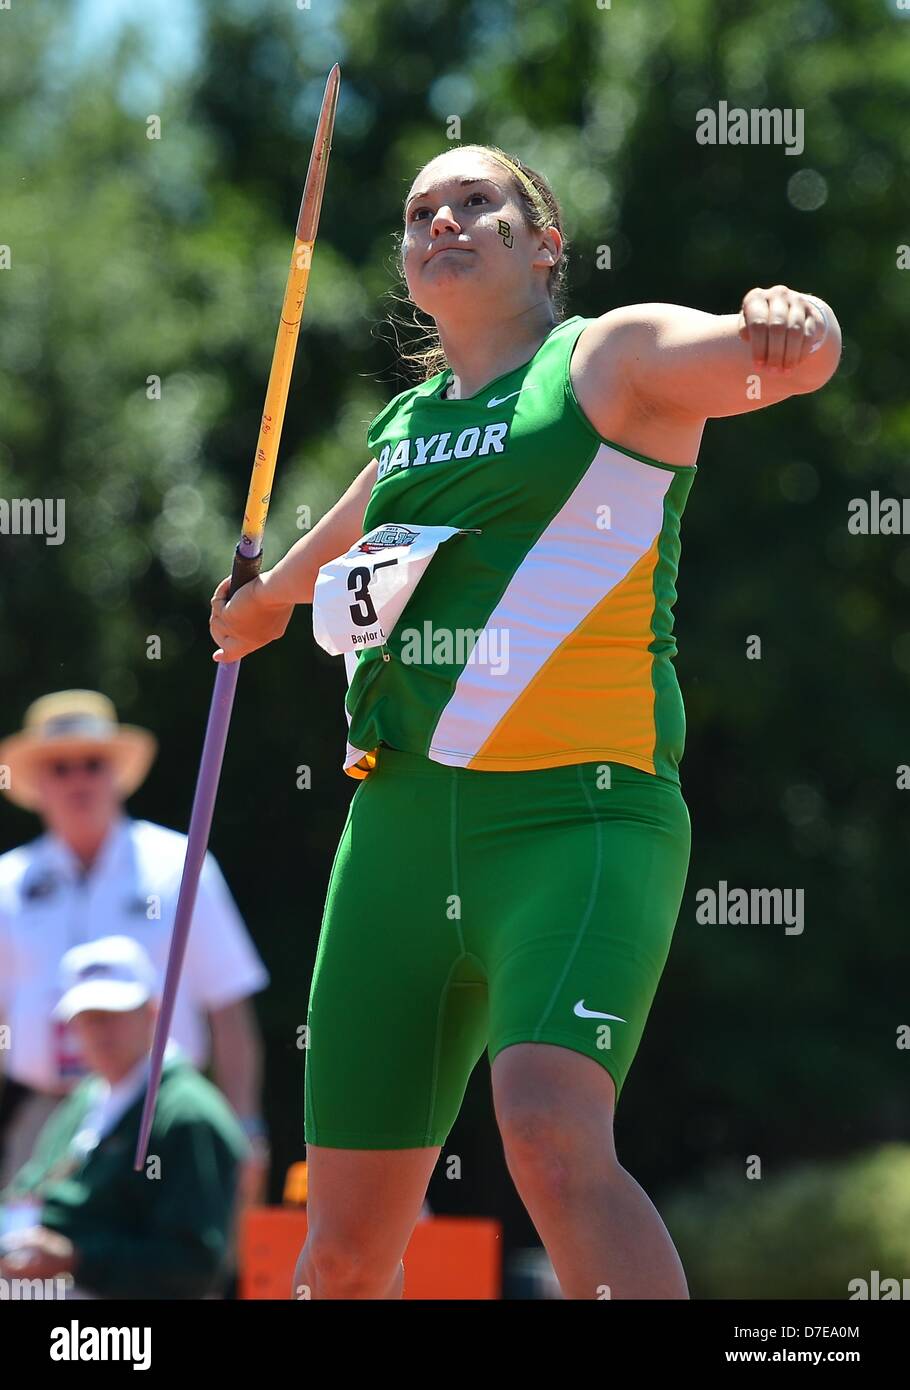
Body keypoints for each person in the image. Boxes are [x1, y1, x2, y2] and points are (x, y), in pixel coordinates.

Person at [208, 143, 842, 1299]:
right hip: (394, 837)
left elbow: (781, 361)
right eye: (417, 212)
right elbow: (343, 539)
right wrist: (256, 606)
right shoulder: (402, 425)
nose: (441, 219)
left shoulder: (609, 359)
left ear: (544, 241)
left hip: (577, 819)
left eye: (474, 201)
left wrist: (792, 325)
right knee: (340, 1254)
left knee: (548, 1133)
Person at [0, 690, 269, 1196]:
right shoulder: (6, 883)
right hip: (43, 1118)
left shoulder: (181, 866)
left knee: (173, 1267)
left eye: (93, 763)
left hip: (163, 1114)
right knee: (27, 1267)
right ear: (36, 782)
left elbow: (229, 1009)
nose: (78, 779)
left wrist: (245, 1125)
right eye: (59, 767)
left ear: (116, 773)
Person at [0, 935, 248, 1298]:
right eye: (87, 1019)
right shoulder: (88, 1097)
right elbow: (29, 1192)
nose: (99, 1032)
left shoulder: (187, 1116)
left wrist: (75, 1258)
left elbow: (193, 1266)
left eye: (113, 1015)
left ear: (152, 1013)